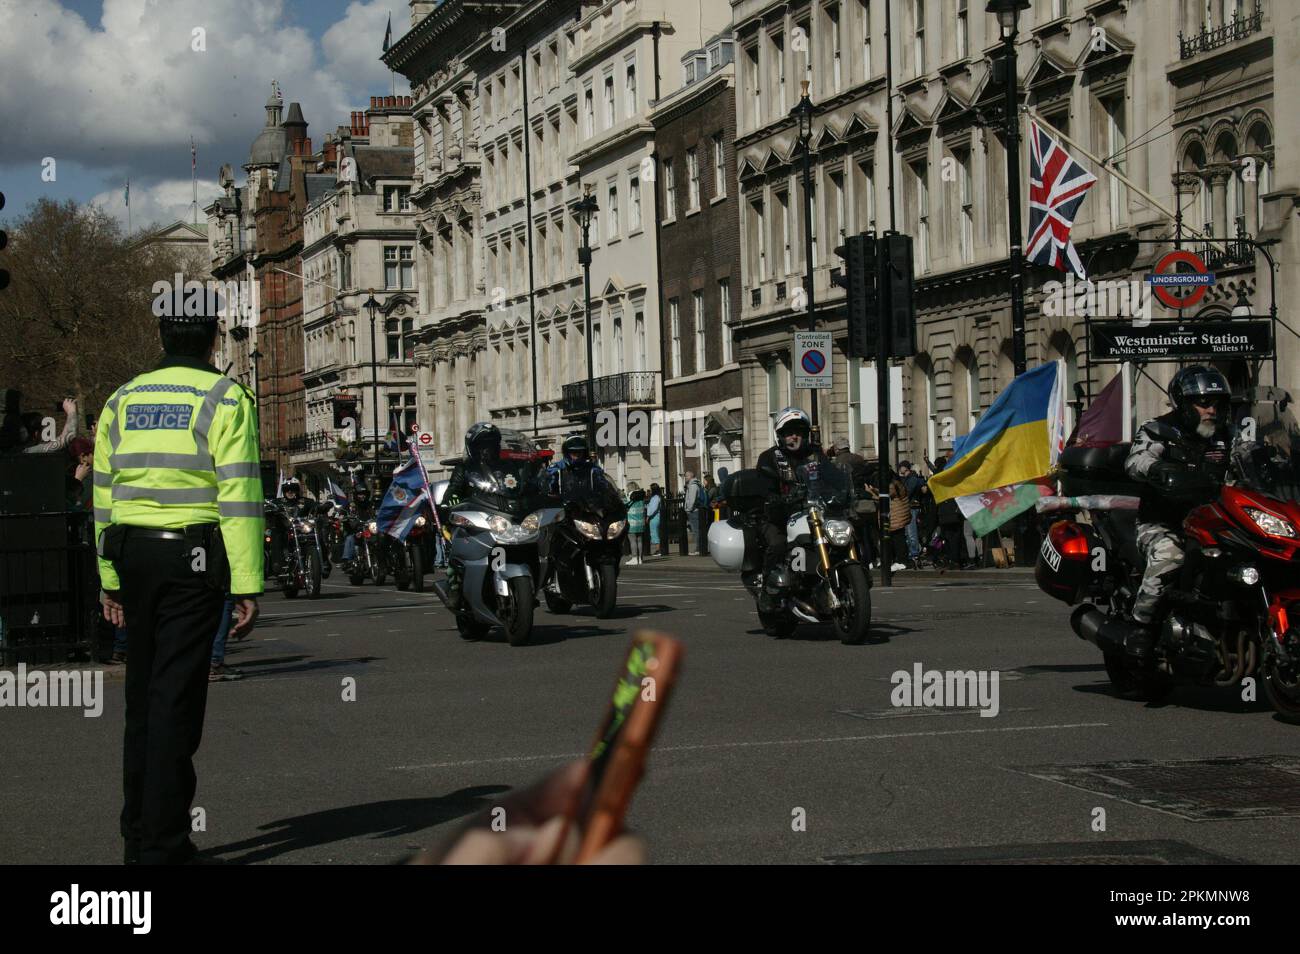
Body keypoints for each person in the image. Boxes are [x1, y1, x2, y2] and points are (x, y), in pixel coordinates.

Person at [93, 306, 262, 865]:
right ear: (215, 340)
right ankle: (165, 847)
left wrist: (108, 578)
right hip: (192, 556)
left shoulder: (123, 398)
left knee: (141, 697)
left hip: (133, 552)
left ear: (161, 335)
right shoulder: (226, 398)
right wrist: (246, 584)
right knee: (176, 701)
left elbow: (103, 492)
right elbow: (238, 497)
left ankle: (138, 837)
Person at [1123, 366, 1232, 650]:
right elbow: (1136, 460)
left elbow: (1253, 458)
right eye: (1203, 403)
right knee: (1169, 555)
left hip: (1216, 524)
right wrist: (1157, 468)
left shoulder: (1227, 435)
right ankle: (1141, 627)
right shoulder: (1158, 430)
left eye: (1216, 403)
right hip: (1164, 523)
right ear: (1183, 403)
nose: (1211, 410)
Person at [755, 407, 833, 610]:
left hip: (814, 512)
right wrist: (774, 498)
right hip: (779, 515)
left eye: (798, 431)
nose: (794, 437)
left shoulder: (816, 455)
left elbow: (832, 477)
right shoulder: (769, 458)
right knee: (777, 543)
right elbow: (763, 487)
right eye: (789, 432)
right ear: (780, 435)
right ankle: (767, 591)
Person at [439, 422, 504, 611]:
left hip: (501, 516)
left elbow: (518, 485)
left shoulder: (506, 468)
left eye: (491, 445)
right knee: (459, 547)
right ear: (474, 448)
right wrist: (449, 503)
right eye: (483, 446)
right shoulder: (464, 469)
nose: (487, 450)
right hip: (475, 518)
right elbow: (453, 491)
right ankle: (454, 586)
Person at [887, 475, 912, 571]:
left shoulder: (892, 485)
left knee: (897, 539)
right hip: (901, 514)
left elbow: (888, 494)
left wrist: (871, 491)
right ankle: (901, 560)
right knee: (899, 537)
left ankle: (901, 561)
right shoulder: (898, 483)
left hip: (896, 515)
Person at [625, 484, 646, 565]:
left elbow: (625, 505)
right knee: (640, 541)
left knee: (632, 541)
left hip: (632, 523)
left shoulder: (630, 497)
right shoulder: (641, 497)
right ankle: (640, 559)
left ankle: (634, 558)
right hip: (641, 522)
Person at [683, 471, 702, 554]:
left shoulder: (693, 486)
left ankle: (698, 549)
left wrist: (688, 509)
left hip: (693, 511)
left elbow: (692, 499)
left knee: (696, 530)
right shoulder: (692, 485)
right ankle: (699, 548)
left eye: (686, 476)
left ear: (691, 476)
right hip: (694, 511)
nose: (685, 477)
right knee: (696, 530)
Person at [646, 483, 663, 558]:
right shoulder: (658, 497)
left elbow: (653, 508)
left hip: (654, 518)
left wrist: (648, 516)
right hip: (656, 517)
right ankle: (658, 549)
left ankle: (658, 550)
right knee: (655, 533)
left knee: (654, 533)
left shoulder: (655, 498)